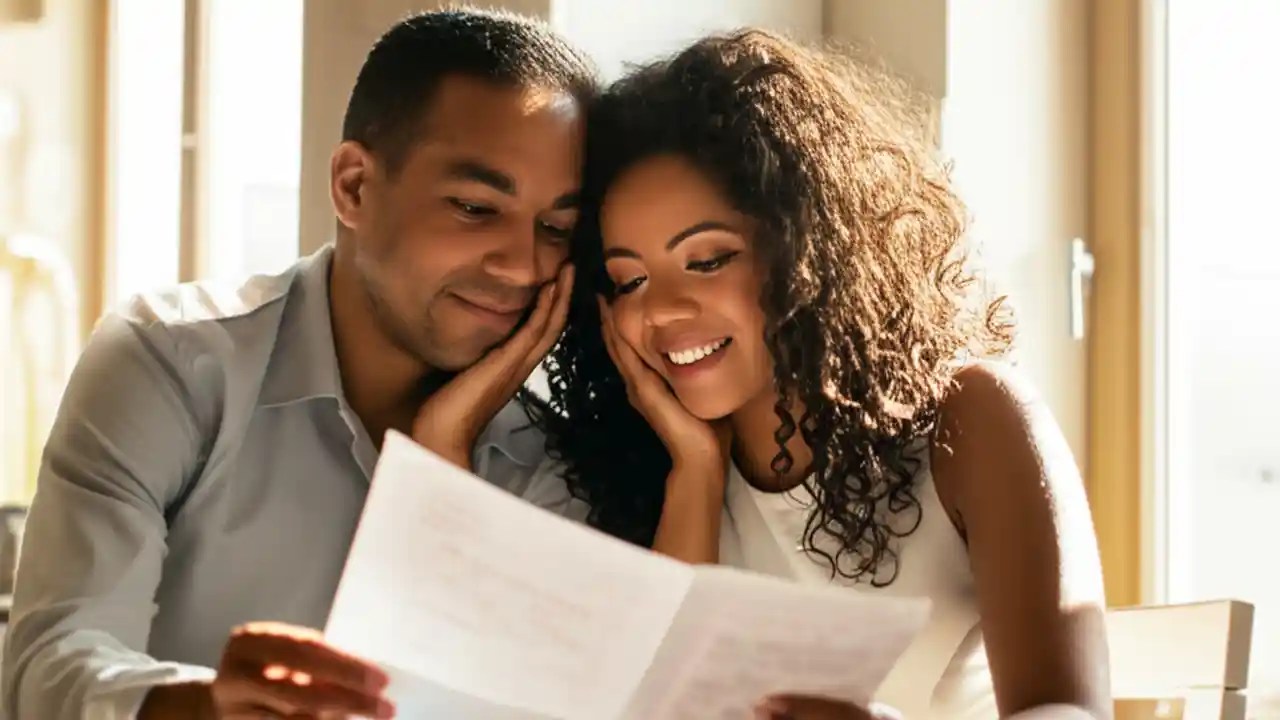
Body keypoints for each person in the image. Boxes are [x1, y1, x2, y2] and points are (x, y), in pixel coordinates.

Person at [2, 8, 595, 719]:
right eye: (474, 207)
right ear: (352, 187)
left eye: (557, 228)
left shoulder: (547, 461)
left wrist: (442, 467)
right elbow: (46, 668)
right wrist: (205, 705)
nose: (522, 265)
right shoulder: (169, 360)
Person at [544, 30, 1111, 720]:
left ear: (805, 251)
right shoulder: (643, 473)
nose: (660, 310)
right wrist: (694, 471)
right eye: (628, 279)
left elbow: (1074, 713)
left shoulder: (974, 419)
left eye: (707, 260)